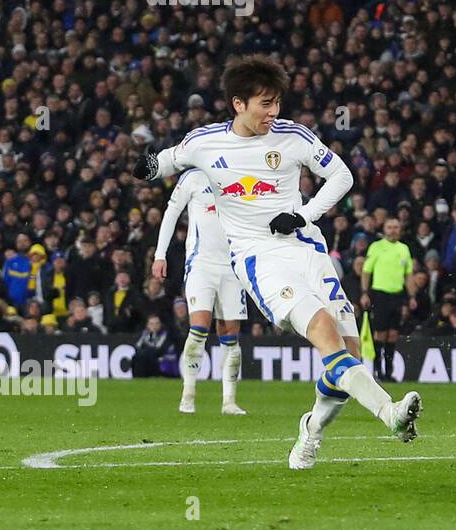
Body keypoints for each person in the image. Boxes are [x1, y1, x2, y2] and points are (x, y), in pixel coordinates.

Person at [133, 53, 420, 469]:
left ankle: (310, 432)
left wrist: (303, 214)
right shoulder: (206, 142)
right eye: (265, 104)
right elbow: (166, 160)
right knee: (325, 332)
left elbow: (342, 176)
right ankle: (390, 414)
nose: (274, 112)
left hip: (309, 248)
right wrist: (145, 166)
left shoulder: (293, 136)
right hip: (259, 258)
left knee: (348, 359)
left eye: (277, 102)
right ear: (238, 104)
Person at [154, 168, 248, 415]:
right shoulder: (193, 177)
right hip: (201, 265)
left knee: (231, 333)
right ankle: (188, 394)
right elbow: (171, 213)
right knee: (199, 329)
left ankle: (229, 401)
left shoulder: (241, 171)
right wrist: (159, 255)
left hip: (232, 266)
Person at [360, 217, 417, 381]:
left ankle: (389, 372)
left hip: (397, 295)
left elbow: (408, 275)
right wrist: (365, 292)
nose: (393, 230)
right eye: (390, 227)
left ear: (400, 229)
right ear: (384, 229)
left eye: (396, 227)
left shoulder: (404, 249)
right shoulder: (376, 247)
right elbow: (366, 271)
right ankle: (378, 372)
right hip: (380, 295)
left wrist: (411, 296)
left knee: (393, 334)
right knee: (380, 333)